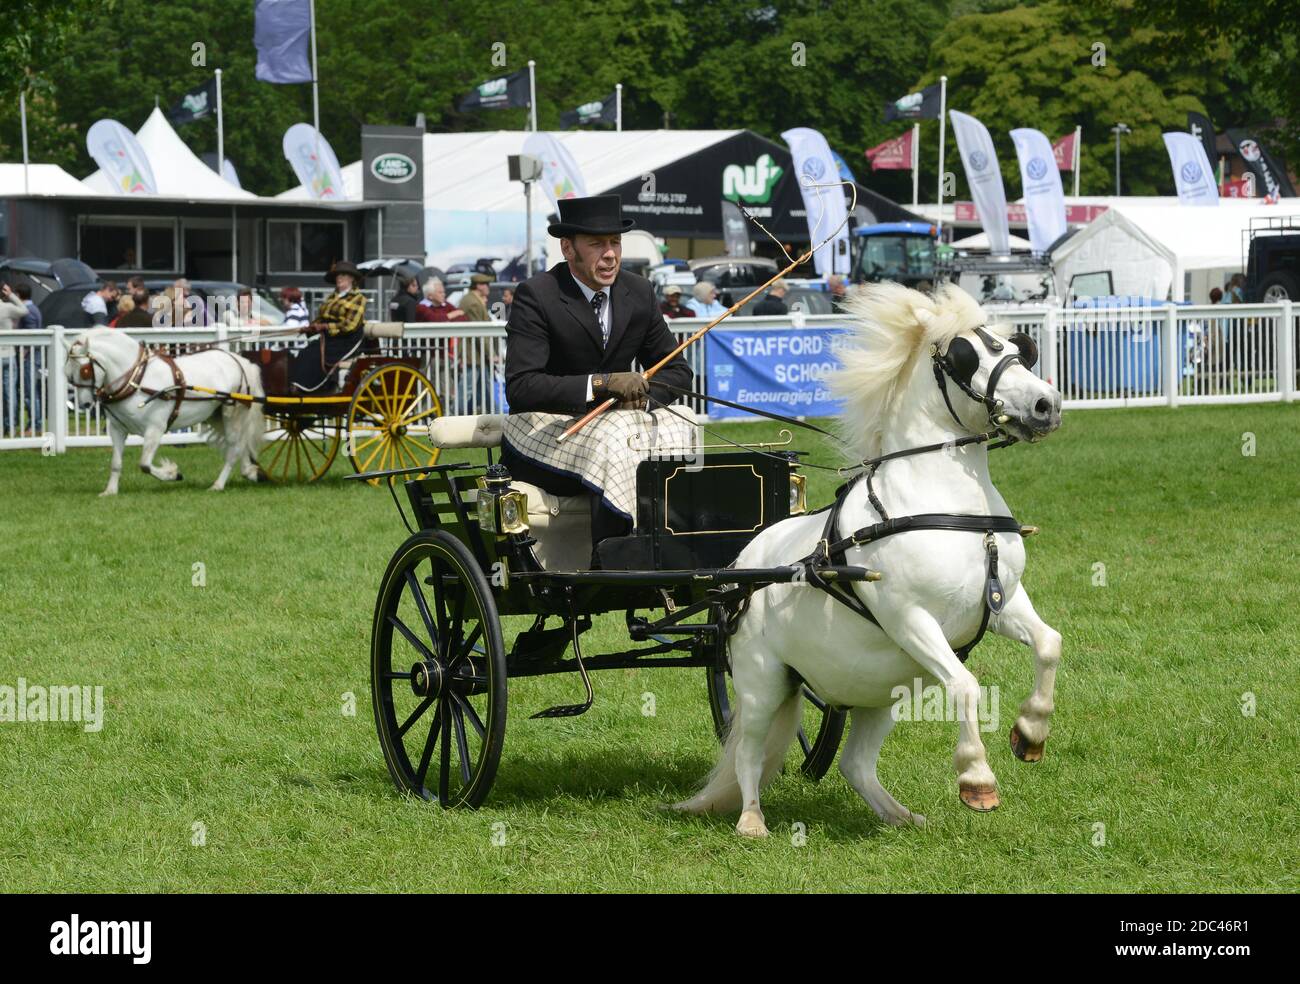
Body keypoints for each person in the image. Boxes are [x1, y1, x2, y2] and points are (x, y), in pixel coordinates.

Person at [502, 194, 693, 556]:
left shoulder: (637, 291)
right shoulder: (537, 295)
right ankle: (615, 563)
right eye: (597, 244)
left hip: (614, 431)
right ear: (568, 249)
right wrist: (602, 385)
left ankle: (688, 551)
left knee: (684, 423)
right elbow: (522, 387)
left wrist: (641, 397)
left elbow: (679, 371)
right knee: (614, 441)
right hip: (542, 433)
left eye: (615, 243)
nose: (610, 254)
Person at [291, 261, 369, 391]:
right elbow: (321, 318)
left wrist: (326, 327)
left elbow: (350, 325)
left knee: (313, 354)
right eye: (337, 276)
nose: (339, 278)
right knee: (305, 352)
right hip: (329, 338)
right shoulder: (332, 298)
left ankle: (308, 388)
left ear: (352, 278)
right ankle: (300, 386)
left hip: (346, 340)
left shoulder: (359, 299)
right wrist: (310, 327)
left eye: (343, 275)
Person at [0, 282, 30, 435]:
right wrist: (11, 295)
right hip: (9, 354)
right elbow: (25, 310)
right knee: (10, 392)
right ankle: (10, 425)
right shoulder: (7, 308)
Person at [14, 283, 43, 434]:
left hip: (29, 357)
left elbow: (30, 334)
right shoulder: (33, 309)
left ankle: (35, 424)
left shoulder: (28, 311)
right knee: (30, 391)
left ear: (18, 295)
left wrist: (22, 354)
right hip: (31, 356)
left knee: (29, 392)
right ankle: (34, 424)